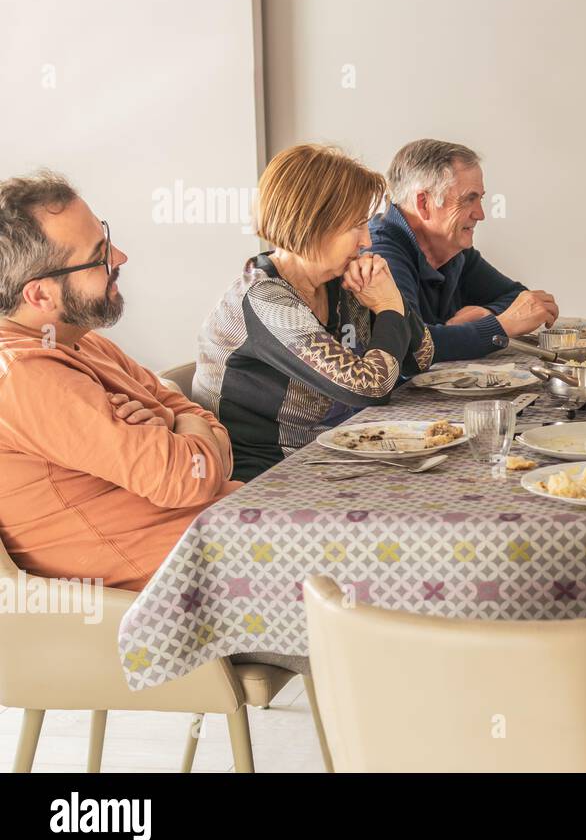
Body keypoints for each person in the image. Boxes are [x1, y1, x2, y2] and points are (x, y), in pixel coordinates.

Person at [0, 172, 239, 590]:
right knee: (382, 601)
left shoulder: (80, 341)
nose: (121, 258)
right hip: (187, 600)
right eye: (99, 256)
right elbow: (191, 477)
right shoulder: (25, 375)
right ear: (40, 296)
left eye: (107, 239)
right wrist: (176, 423)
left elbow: (202, 431)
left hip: (236, 551)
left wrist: (169, 419)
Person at [195, 145, 435, 480]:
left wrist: (389, 294)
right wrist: (388, 308)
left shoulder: (339, 282)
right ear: (312, 225)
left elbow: (420, 357)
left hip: (336, 455)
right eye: (356, 225)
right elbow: (370, 387)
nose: (367, 240)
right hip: (269, 476)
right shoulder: (265, 298)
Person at [368, 139, 559, 361]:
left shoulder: (452, 248)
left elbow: (518, 298)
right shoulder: (379, 255)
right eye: (469, 199)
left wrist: (487, 314)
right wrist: (501, 325)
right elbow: (412, 346)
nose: (480, 214)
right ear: (423, 203)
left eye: (480, 199)